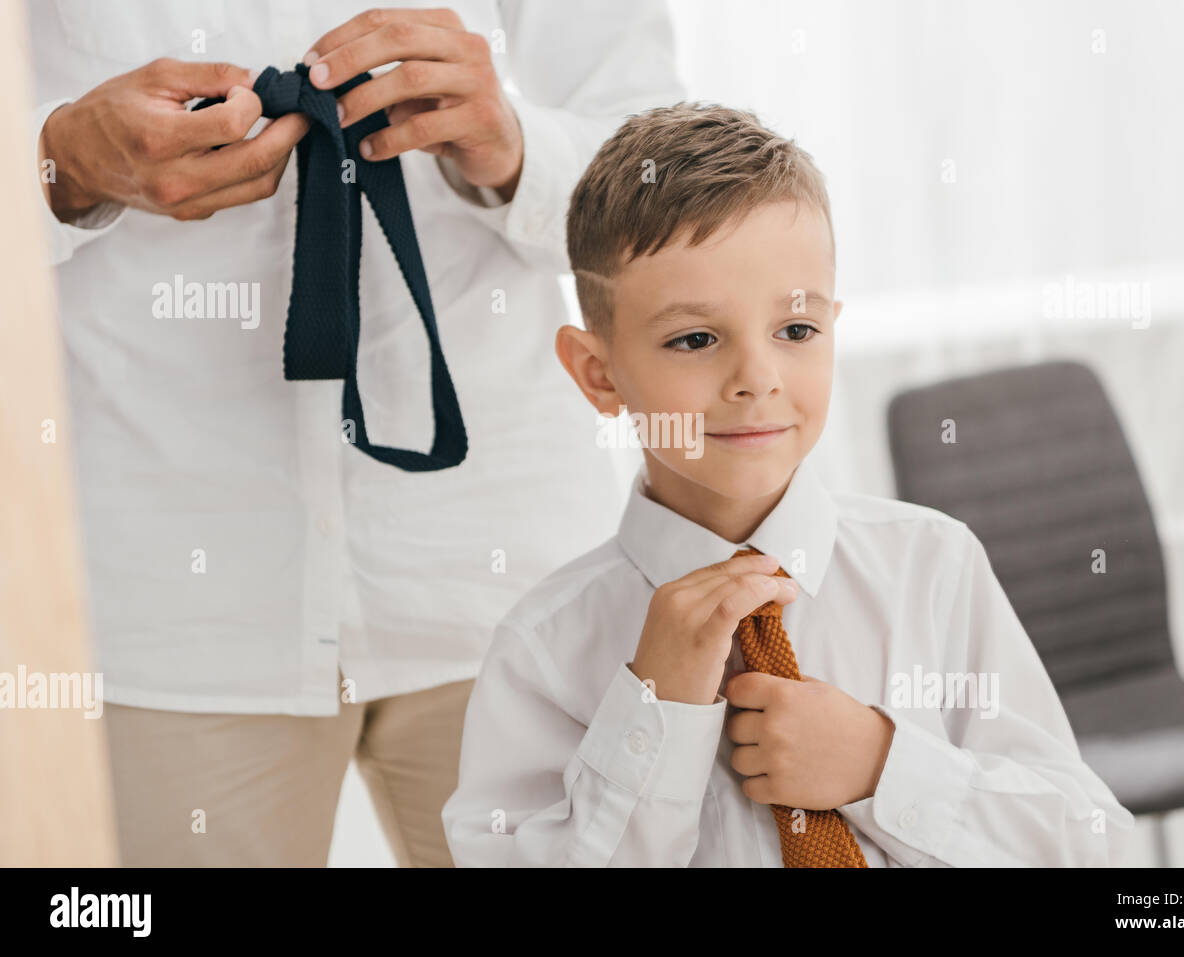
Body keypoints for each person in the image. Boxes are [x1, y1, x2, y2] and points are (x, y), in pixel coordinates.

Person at [26, 1, 683, 866]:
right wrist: (54, 166)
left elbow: (659, 172)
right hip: (166, 595)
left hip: (505, 583)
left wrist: (517, 149)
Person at [442, 102, 1138, 866]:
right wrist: (655, 708)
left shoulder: (933, 565)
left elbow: (1094, 848)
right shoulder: (542, 651)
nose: (756, 379)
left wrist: (884, 764)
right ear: (598, 374)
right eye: (696, 339)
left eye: (796, 330)